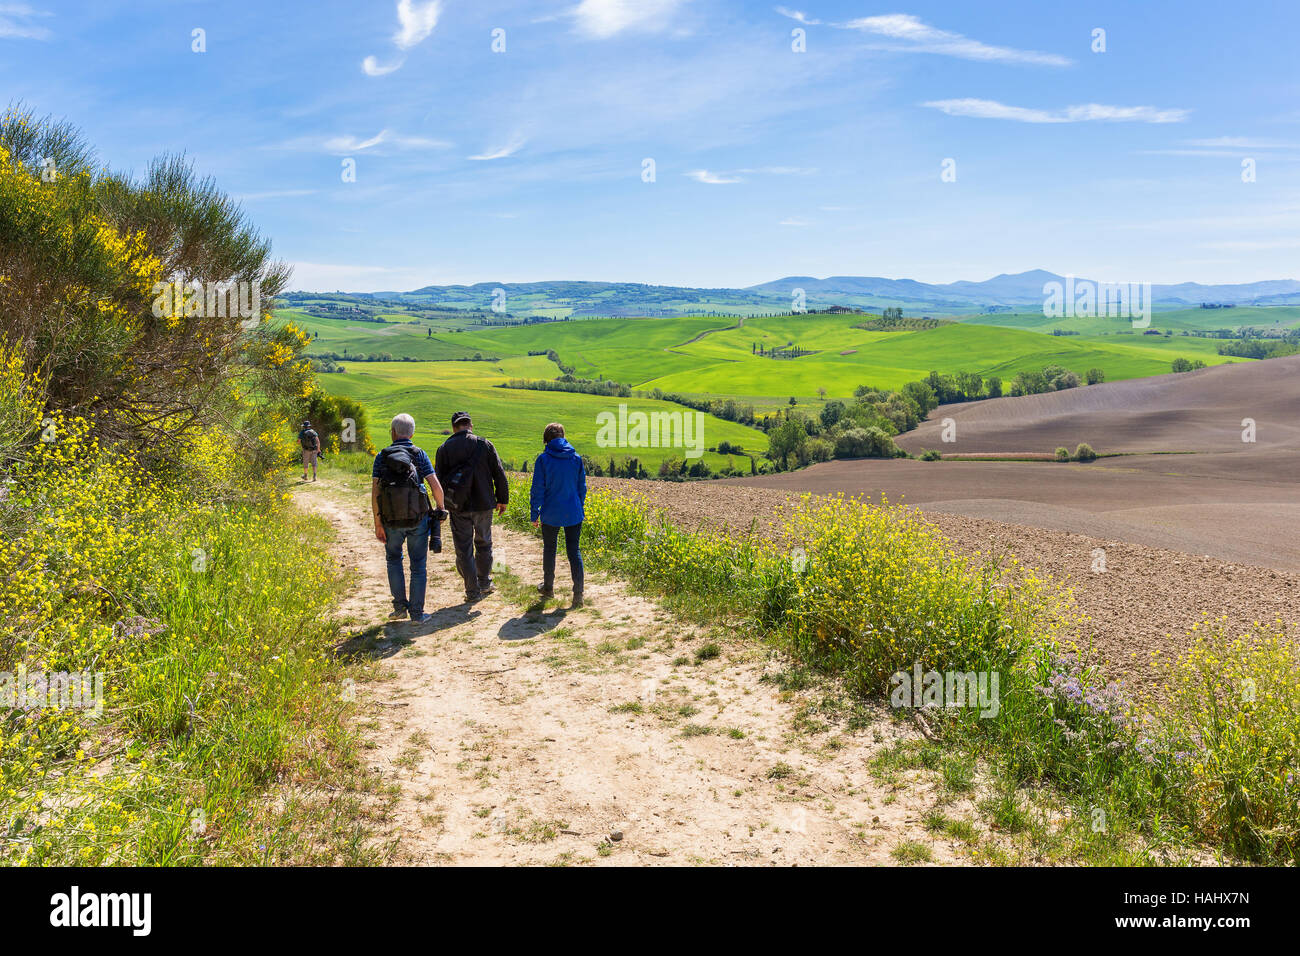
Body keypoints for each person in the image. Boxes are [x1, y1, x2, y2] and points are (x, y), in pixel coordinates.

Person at [372, 413, 446, 624]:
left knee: (393, 560)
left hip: (390, 520)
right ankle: (417, 613)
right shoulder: (419, 454)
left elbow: (375, 492)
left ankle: (399, 608)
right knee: (418, 565)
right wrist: (441, 509)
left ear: (393, 433)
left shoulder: (381, 456)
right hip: (418, 519)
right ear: (412, 433)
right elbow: (435, 485)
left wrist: (378, 523)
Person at [435, 411, 509, 603]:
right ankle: (484, 582)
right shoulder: (484, 445)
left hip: (458, 507)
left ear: (454, 427)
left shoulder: (444, 448)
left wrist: (443, 504)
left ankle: (471, 591)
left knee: (464, 548)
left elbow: (438, 480)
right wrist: (503, 499)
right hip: (484, 504)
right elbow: (499, 473)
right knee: (484, 543)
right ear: (470, 425)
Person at [529, 422, 586, 607]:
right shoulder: (576, 458)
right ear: (563, 436)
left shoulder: (543, 459)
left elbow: (537, 488)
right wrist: (579, 507)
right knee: (573, 551)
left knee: (550, 549)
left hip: (551, 512)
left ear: (546, 439)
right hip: (573, 512)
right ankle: (578, 595)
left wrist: (534, 512)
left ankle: (548, 588)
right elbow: (581, 488)